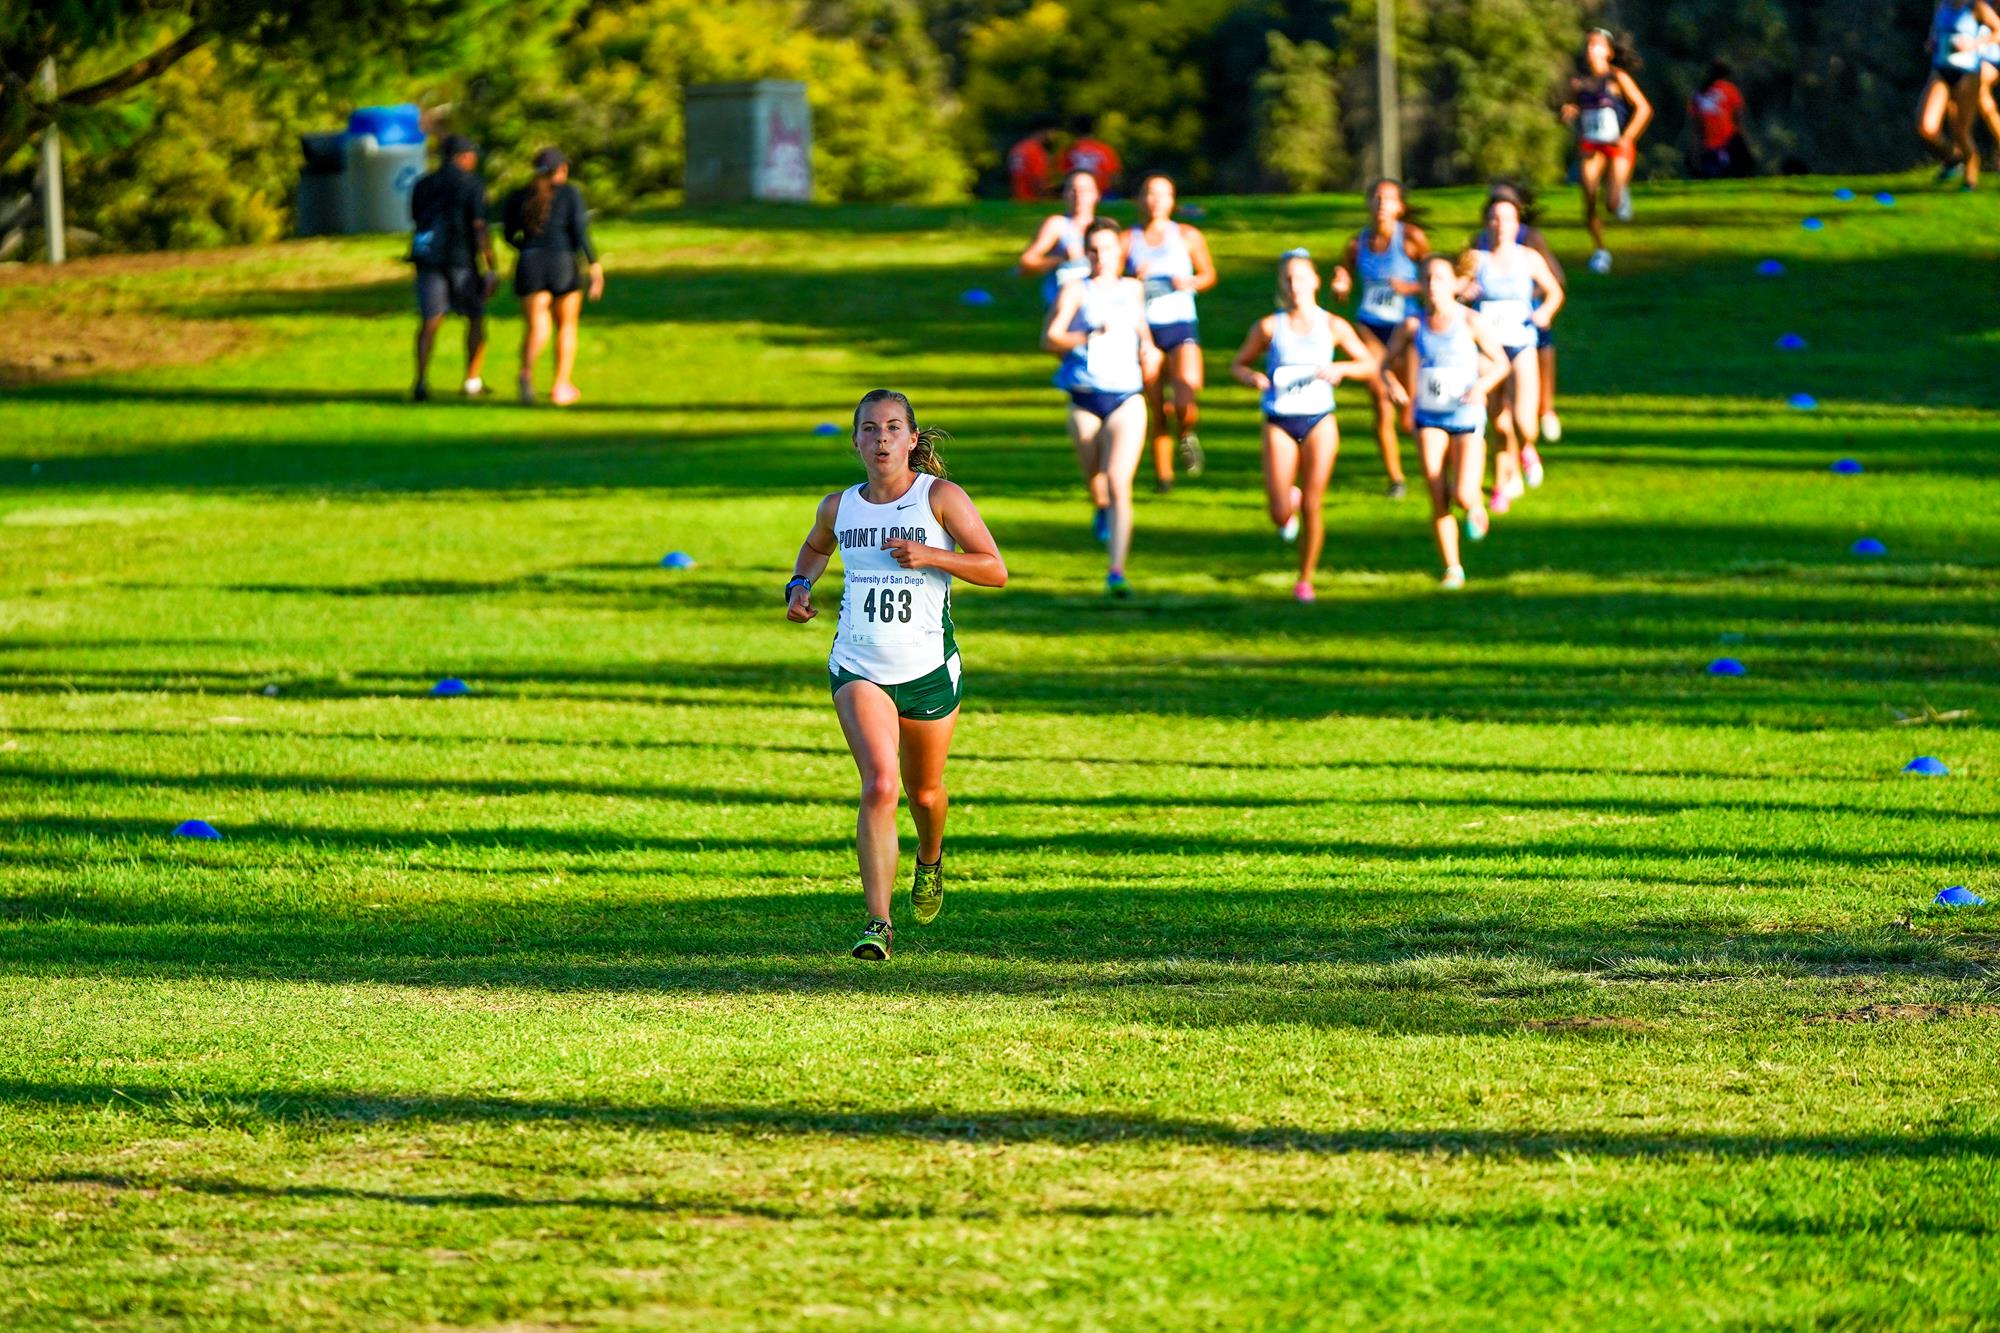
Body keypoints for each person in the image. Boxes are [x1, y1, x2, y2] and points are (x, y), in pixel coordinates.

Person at [785, 390, 1008, 961]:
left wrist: (932, 556)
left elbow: (994, 569)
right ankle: (877, 924)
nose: (880, 438)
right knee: (881, 785)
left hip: (928, 669)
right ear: (856, 441)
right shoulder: (840, 507)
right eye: (868, 429)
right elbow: (814, 549)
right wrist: (800, 586)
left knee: (925, 793)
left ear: (912, 440)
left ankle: (930, 860)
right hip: (859, 665)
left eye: (891, 428)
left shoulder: (941, 499)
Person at [1229, 249, 1379, 603]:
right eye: (1288, 278)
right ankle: (1287, 504)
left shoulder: (1333, 326)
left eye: (1301, 277)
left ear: (1315, 281)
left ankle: (1305, 578)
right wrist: (1251, 377)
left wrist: (1341, 370)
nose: (1295, 285)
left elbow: (1369, 365)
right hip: (1279, 419)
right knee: (1279, 511)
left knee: (1313, 504)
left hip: (1319, 419)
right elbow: (1237, 364)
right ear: (1281, 284)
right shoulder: (1269, 326)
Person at [1043, 217, 1162, 597]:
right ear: (1087, 253)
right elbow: (1051, 338)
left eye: (1108, 249)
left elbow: (1142, 328)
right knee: (1097, 480)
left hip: (1127, 396)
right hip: (1084, 397)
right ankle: (1100, 507)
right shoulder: (1076, 290)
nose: (1101, 256)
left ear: (1119, 251)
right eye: (1094, 250)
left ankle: (1116, 570)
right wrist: (1088, 334)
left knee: (1117, 481)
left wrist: (1149, 348)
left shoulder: (1133, 289)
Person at [1383, 256, 1514, 589]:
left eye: (1440, 278)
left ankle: (1475, 507)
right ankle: (1452, 567)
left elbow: (1501, 364)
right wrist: (1394, 385)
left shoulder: (1471, 322)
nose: (1432, 284)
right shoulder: (1412, 325)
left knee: (1462, 492)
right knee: (1436, 488)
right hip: (1429, 416)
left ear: (1456, 284)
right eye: (1426, 278)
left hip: (1467, 416)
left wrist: (1480, 387)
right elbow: (1385, 365)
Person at [1463, 194, 1563, 514]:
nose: (1500, 225)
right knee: (1498, 421)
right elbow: (1450, 292)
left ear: (1517, 223)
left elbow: (1555, 290)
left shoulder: (1529, 257)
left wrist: (1545, 311)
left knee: (1523, 420)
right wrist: (1462, 292)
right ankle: (1503, 482)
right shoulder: (1474, 259)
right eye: (1494, 218)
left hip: (1521, 342)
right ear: (1486, 223)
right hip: (1489, 350)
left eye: (1507, 219)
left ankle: (1528, 448)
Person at [1330, 178, 1425, 497]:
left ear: (1400, 207)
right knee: (1381, 401)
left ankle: (1435, 464)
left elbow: (1438, 282)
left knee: (1408, 414)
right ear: (1368, 203)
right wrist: (1340, 286)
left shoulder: (1411, 238)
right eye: (1377, 198)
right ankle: (1396, 478)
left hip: (1406, 330)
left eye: (1389, 199)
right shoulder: (1356, 244)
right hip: (1370, 328)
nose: (1382, 204)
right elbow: (1342, 284)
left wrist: (1410, 288)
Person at [1124, 174, 1217, 491]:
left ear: (1172, 200)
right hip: (1143, 329)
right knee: (1154, 402)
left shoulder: (1187, 235)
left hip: (1180, 324)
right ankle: (1164, 477)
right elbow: (1116, 280)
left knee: (1184, 399)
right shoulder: (1127, 239)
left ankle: (1185, 433)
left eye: (1163, 194)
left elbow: (1208, 275)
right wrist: (1132, 277)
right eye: (1149, 193)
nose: (1155, 200)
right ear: (1140, 199)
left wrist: (1189, 282)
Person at [503, 147, 604, 406]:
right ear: (561, 170)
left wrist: (525, 249)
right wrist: (593, 264)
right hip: (562, 261)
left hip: (530, 261)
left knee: (537, 325)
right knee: (566, 325)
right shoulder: (570, 194)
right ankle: (561, 385)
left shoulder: (519, 196)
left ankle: (526, 373)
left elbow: (507, 234)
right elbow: (579, 231)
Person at [408, 133, 497, 403]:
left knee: (430, 321)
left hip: (429, 260)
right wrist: (491, 266)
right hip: (462, 260)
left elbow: (415, 219)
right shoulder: (472, 185)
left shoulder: (423, 184)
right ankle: (472, 380)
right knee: (475, 318)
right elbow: (479, 227)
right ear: (463, 157)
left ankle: (421, 380)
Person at [1562, 28, 1652, 274]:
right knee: (1589, 198)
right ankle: (1601, 251)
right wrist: (1570, 111)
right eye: (1589, 45)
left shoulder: (1617, 78)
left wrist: (1628, 137)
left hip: (1616, 144)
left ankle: (1620, 195)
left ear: (1609, 52)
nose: (1592, 50)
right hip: (1591, 145)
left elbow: (1643, 108)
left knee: (1611, 204)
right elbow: (1573, 106)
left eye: (1598, 45)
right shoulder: (1579, 83)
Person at [1920, 2, 2000, 188]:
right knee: (1929, 125)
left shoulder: (1976, 7)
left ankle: (1971, 168)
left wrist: (1974, 44)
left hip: (1974, 67)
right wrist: (1933, 41)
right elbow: (1936, 28)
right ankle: (1954, 158)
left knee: (1975, 109)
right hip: (1943, 69)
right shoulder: (1942, 5)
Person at [1017, 170, 1100, 307]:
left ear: (1097, 194)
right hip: (1062, 306)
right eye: (1073, 190)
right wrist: (1060, 259)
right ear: (1065, 194)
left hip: (1095, 307)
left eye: (1086, 190)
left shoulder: (1105, 228)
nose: (1079, 196)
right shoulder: (1057, 224)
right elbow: (1025, 264)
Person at [1688, 61, 1755, 179]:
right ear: (1725, 75)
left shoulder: (1698, 94)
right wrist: (1744, 141)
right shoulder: (1729, 89)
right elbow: (1738, 118)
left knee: (1712, 174)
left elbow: (1695, 127)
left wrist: (1695, 152)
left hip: (1708, 146)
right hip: (1729, 142)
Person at [1059, 125, 1122, 197]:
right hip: (1103, 193)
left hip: (1076, 194)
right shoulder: (1105, 149)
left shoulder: (1069, 150)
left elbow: (1063, 174)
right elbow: (1115, 175)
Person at [1007, 126, 1055, 202]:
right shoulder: (1035, 150)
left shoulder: (1018, 148)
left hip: (1017, 199)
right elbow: (1037, 180)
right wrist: (1048, 199)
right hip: (1032, 201)